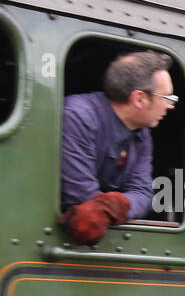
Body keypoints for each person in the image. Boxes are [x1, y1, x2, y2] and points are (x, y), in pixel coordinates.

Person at [60, 51, 176, 245]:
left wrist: (113, 206)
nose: (170, 105)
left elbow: (143, 192)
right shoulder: (78, 116)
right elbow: (82, 200)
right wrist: (113, 205)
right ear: (139, 99)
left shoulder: (142, 133)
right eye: (166, 97)